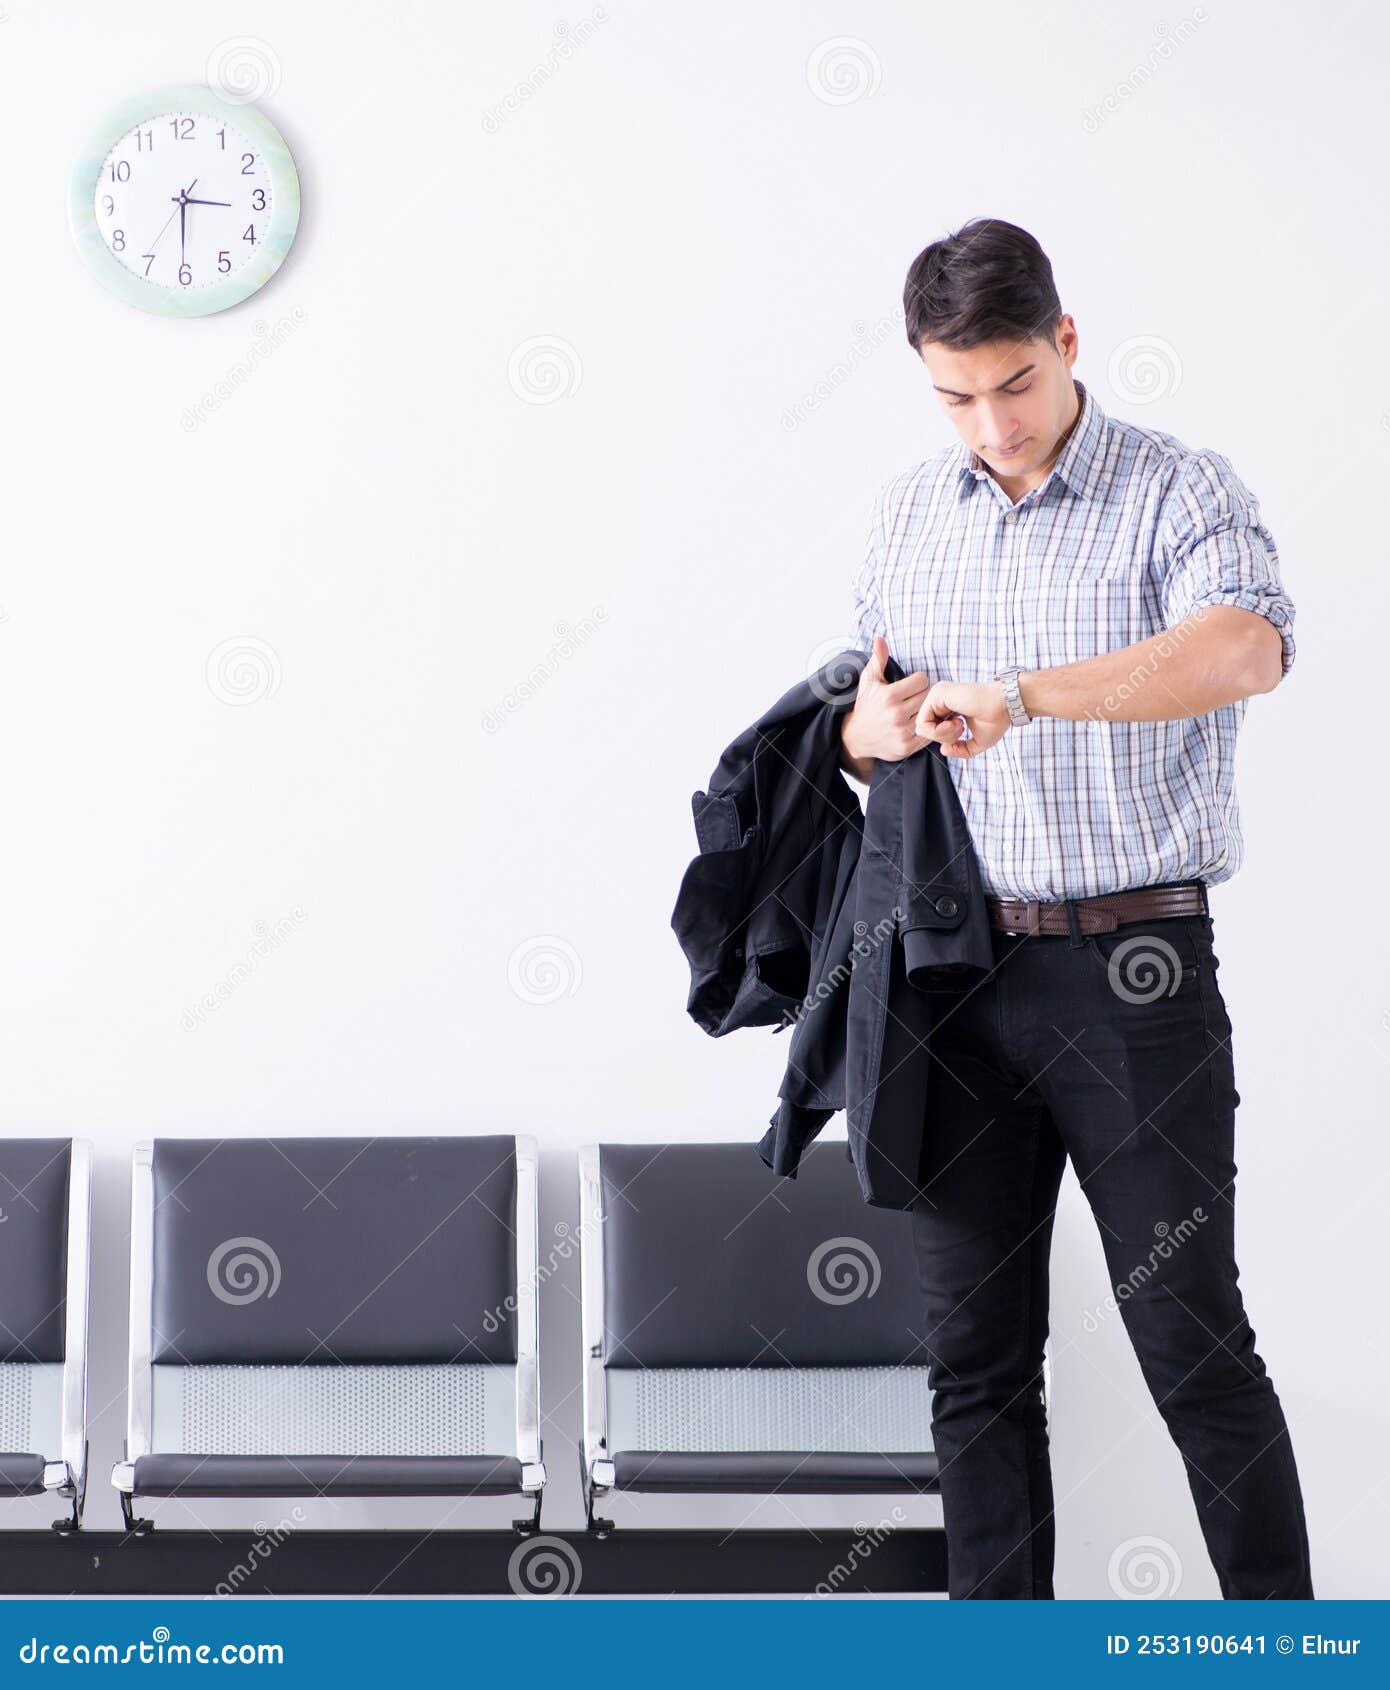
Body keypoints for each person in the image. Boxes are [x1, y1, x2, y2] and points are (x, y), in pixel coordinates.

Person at [836, 217, 1312, 1600]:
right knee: (971, 1361)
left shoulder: (1177, 489)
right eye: (953, 394)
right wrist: (866, 733)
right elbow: (858, 722)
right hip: (948, 978)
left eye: (1012, 384)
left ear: (1065, 342)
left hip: (1132, 973)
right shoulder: (906, 511)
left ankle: (1274, 1648)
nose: (988, 422)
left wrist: (1026, 693)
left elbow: (1242, 649)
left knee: (1187, 1337)